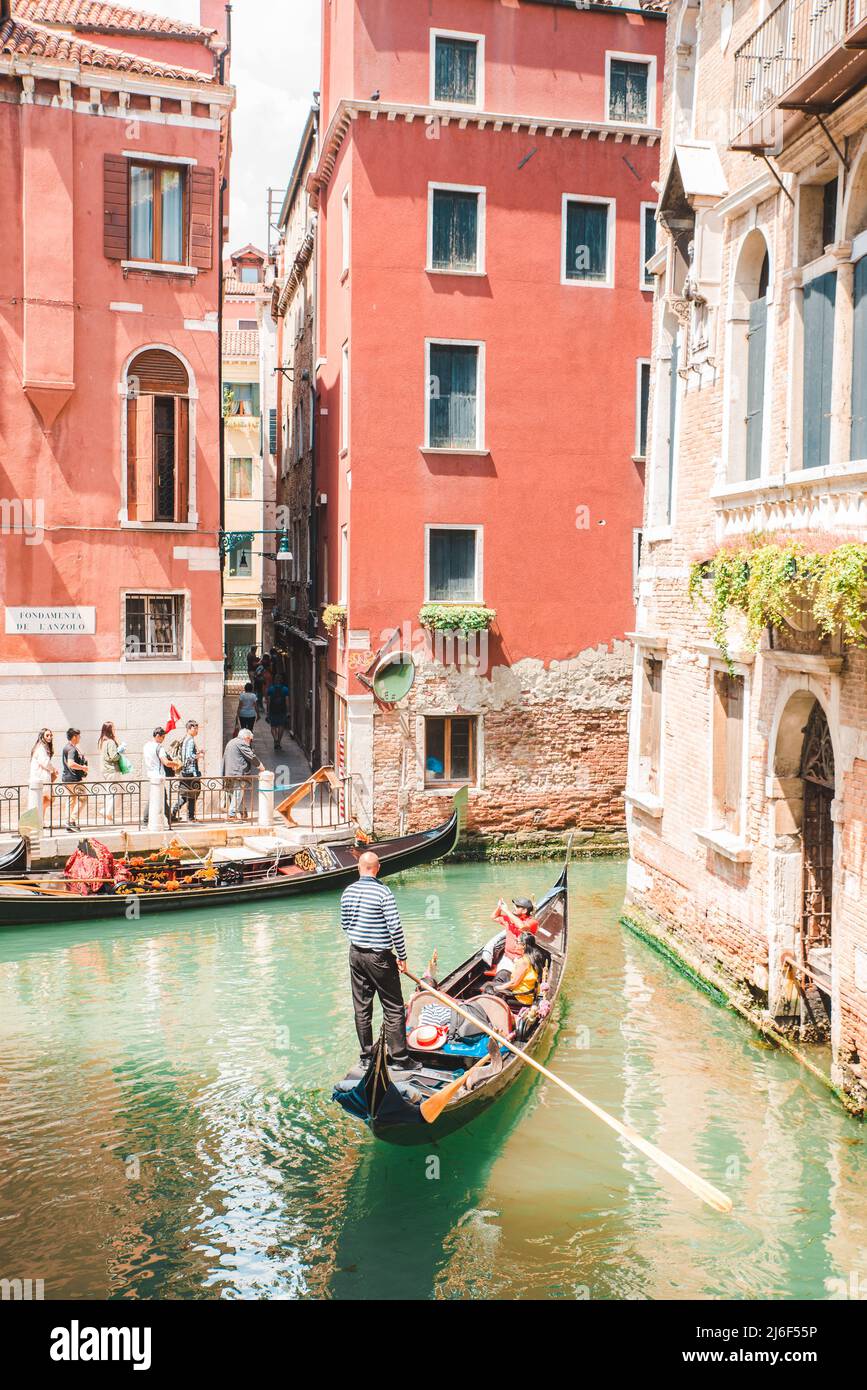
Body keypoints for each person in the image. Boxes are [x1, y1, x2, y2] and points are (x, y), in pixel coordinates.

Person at [339, 850, 419, 1074]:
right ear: (378, 868)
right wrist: (402, 957)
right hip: (380, 958)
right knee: (393, 1006)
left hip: (355, 954)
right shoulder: (383, 892)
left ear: (359, 868)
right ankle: (400, 1059)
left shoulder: (348, 891)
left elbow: (344, 924)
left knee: (362, 1007)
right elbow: (395, 927)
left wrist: (360, 937)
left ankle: (366, 1057)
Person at [489, 895, 539, 982]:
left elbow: (522, 926)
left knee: (516, 982)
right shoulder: (509, 919)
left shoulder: (532, 922)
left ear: (524, 910)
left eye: (517, 906)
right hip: (508, 957)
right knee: (500, 978)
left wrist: (507, 911)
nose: (514, 907)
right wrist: (499, 907)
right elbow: (493, 917)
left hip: (523, 959)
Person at [492, 931, 544, 1010]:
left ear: (524, 945)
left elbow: (513, 984)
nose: (515, 944)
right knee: (503, 973)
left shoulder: (523, 961)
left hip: (521, 998)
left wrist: (498, 988)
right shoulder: (534, 957)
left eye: (517, 942)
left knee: (491, 989)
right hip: (530, 994)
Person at [222, 727, 263, 819]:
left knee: (236, 794)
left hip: (229, 772)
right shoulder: (241, 743)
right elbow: (251, 757)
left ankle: (243, 812)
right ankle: (231, 815)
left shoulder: (232, 742)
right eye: (250, 740)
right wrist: (261, 767)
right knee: (238, 793)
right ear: (246, 738)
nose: (250, 742)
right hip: (238, 774)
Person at [141, 727, 177, 827]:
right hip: (159, 776)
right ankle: (168, 820)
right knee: (161, 798)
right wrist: (176, 763)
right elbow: (165, 762)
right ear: (157, 736)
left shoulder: (146, 746)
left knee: (156, 797)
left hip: (151, 775)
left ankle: (167, 819)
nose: (163, 740)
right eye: (163, 737)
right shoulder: (159, 748)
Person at [172, 719, 204, 823]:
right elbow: (190, 757)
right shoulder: (190, 740)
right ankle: (188, 816)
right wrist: (199, 755)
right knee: (191, 794)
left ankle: (177, 814)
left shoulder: (185, 739)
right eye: (195, 728)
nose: (197, 730)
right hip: (191, 772)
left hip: (185, 772)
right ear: (190, 729)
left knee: (188, 795)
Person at [97, 721, 127, 824]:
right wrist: (121, 751)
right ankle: (106, 812)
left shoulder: (104, 741)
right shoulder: (110, 742)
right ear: (110, 729)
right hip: (112, 770)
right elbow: (114, 756)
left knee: (111, 793)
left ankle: (108, 816)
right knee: (116, 793)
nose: (115, 729)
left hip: (107, 771)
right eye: (113, 728)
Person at [61, 728, 89, 832]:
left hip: (66, 778)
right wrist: (83, 768)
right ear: (74, 737)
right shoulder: (72, 749)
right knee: (83, 798)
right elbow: (71, 763)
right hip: (74, 779)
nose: (79, 738)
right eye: (78, 736)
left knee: (71, 800)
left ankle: (68, 822)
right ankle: (72, 821)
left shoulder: (66, 747)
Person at [28, 728, 57, 821]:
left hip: (41, 778)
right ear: (42, 736)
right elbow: (45, 762)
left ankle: (40, 820)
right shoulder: (41, 748)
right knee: (46, 800)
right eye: (47, 735)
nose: (50, 737)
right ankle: (37, 820)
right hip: (40, 778)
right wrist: (53, 769)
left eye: (51, 735)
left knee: (45, 800)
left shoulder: (43, 747)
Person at [266, 675, 289, 751]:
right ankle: (278, 741)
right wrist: (288, 710)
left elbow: (268, 701)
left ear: (275, 680)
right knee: (281, 726)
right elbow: (287, 701)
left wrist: (268, 711)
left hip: (273, 710)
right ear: (281, 680)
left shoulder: (271, 689)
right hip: (282, 710)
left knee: (273, 726)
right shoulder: (285, 689)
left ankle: (275, 739)